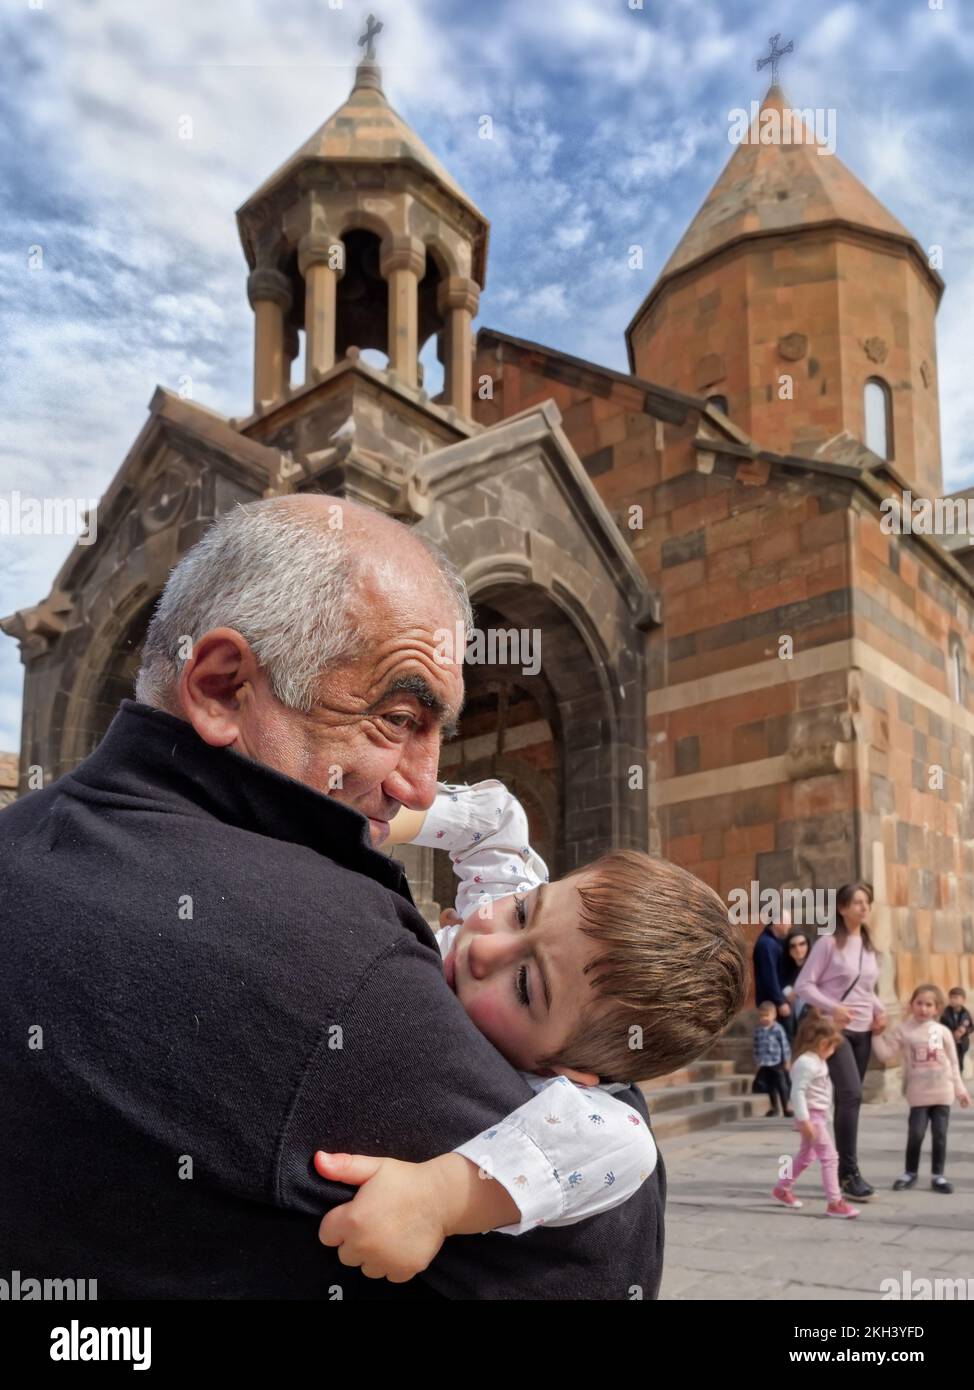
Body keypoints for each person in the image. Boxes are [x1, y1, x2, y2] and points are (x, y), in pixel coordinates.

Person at [0, 495, 668, 1300]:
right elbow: (597, 1268)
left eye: (437, 733)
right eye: (395, 718)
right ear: (221, 688)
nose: (418, 782)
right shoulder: (347, 967)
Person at [310, 779, 746, 1279]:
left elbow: (630, 1147)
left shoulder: (562, 1102)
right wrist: (371, 824)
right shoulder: (516, 911)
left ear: (571, 1071)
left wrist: (438, 1198)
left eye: (524, 985)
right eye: (521, 911)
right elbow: (498, 817)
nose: (484, 946)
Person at [794, 882, 886, 1202]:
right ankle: (848, 1173)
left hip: (864, 1032)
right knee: (851, 1094)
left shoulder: (869, 946)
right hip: (835, 1033)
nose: (863, 907)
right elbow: (803, 985)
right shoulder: (828, 943)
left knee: (850, 1101)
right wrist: (834, 1008)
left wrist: (880, 1010)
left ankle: (829, 1161)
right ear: (842, 909)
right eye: (857, 902)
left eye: (866, 902)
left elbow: (867, 989)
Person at [872, 984, 971, 1193]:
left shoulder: (941, 1031)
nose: (923, 1009)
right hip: (918, 1094)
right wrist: (876, 1035)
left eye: (929, 1005)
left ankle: (938, 1176)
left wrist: (961, 1091)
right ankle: (910, 1172)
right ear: (911, 1005)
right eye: (919, 1003)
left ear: (937, 1008)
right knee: (916, 1133)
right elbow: (885, 1054)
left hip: (943, 1091)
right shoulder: (904, 1030)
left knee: (940, 1134)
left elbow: (952, 1063)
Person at [771, 1010, 859, 1219]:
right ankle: (835, 1202)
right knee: (830, 1157)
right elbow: (797, 1093)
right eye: (831, 1046)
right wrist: (804, 1121)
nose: (833, 1050)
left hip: (817, 1116)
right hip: (811, 1118)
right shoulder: (806, 1063)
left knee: (806, 1156)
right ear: (820, 1043)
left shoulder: (817, 1060)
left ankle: (781, 1189)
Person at [751, 1002, 793, 1118]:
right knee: (770, 1086)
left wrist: (787, 1060)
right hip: (765, 1063)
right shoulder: (758, 1030)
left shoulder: (778, 1029)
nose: (764, 1018)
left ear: (774, 1015)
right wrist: (757, 1061)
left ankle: (786, 1108)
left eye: (767, 1015)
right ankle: (774, 1107)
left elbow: (784, 1045)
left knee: (781, 1085)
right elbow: (756, 1046)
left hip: (777, 1062)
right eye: (761, 1016)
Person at [752, 909, 791, 1030]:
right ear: (777, 922)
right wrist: (780, 1001)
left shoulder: (773, 942)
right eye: (788, 922)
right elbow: (769, 975)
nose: (790, 925)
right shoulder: (767, 944)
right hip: (773, 1006)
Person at [780, 928, 813, 1044]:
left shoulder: (816, 968)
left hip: (814, 1021)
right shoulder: (785, 972)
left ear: (808, 945)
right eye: (793, 946)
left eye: (802, 944)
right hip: (795, 1024)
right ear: (788, 950)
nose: (798, 949)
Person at [941, 988, 973, 1074]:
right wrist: (951, 1033)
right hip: (949, 1041)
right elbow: (942, 1026)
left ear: (963, 1000)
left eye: (956, 997)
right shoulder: (945, 1013)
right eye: (951, 998)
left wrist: (965, 1031)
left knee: (959, 1060)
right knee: (949, 1060)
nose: (953, 1000)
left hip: (962, 1043)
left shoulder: (966, 1013)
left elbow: (971, 1027)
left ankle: (959, 1075)